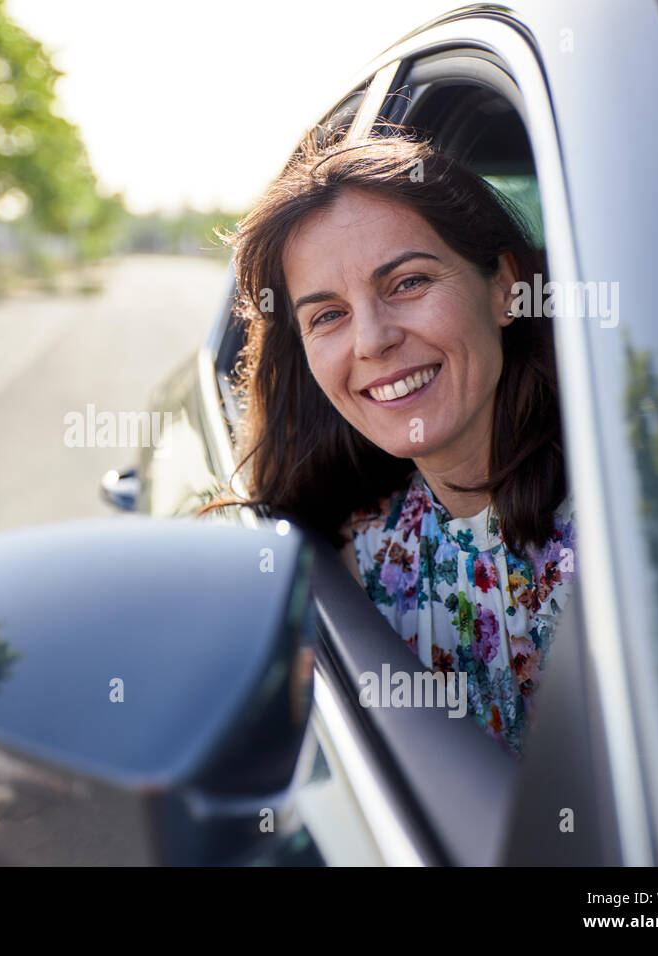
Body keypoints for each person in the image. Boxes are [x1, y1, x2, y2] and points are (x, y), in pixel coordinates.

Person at [203, 130, 574, 757]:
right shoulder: (357, 554)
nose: (372, 341)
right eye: (327, 315)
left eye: (408, 283)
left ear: (505, 287)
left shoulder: (636, 526)